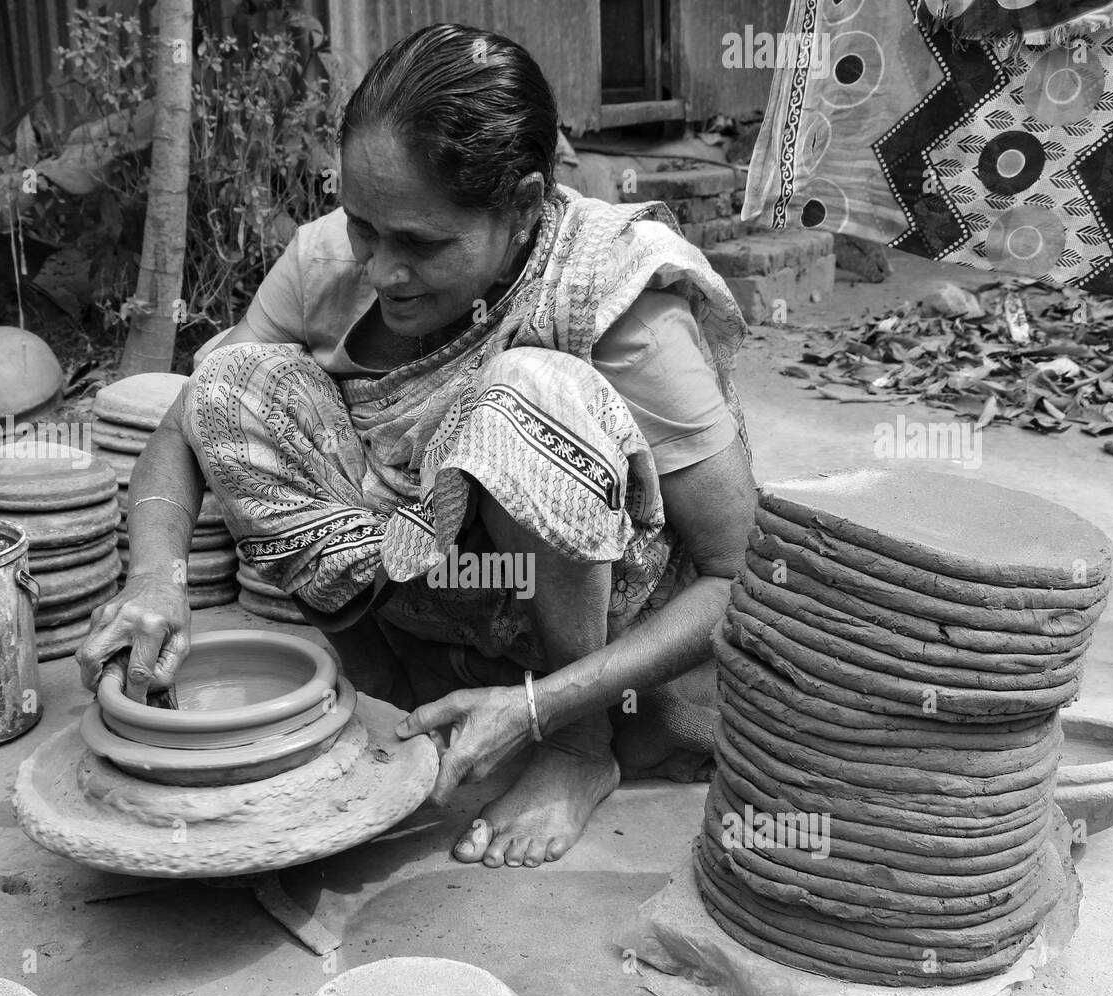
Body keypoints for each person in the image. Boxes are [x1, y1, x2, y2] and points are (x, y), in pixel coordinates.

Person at [78, 22, 757, 871]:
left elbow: (739, 573)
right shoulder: (329, 261)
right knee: (231, 383)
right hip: (434, 595)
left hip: (607, 636)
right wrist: (155, 579)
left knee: (530, 393)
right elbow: (191, 422)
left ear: (522, 206)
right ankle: (391, 691)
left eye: (423, 244)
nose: (381, 269)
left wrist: (546, 708)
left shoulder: (611, 295)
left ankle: (576, 748)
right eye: (363, 226)